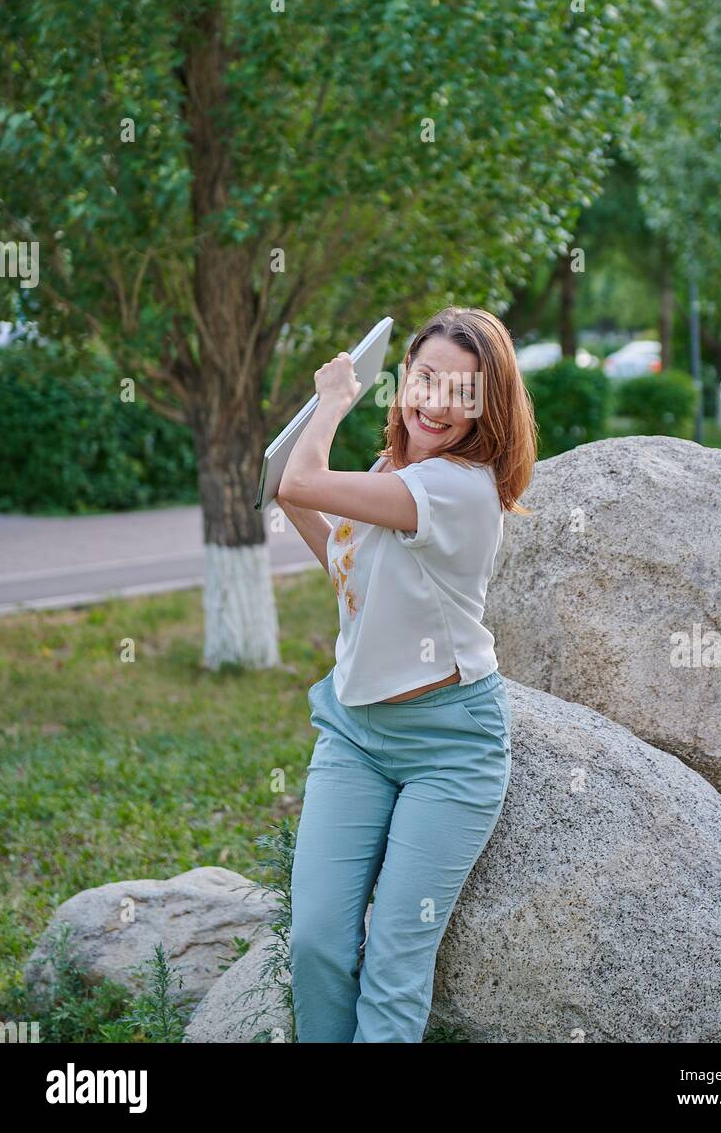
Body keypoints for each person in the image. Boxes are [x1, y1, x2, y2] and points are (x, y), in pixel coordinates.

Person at [277, 305, 537, 1042]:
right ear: (406, 377)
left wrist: (330, 402)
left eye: (461, 392)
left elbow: (306, 472)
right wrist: (289, 493)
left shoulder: (459, 489)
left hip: (448, 747)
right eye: (425, 379)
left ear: (487, 408)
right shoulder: (395, 472)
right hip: (354, 735)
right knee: (318, 943)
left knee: (395, 962)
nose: (433, 402)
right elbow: (348, 567)